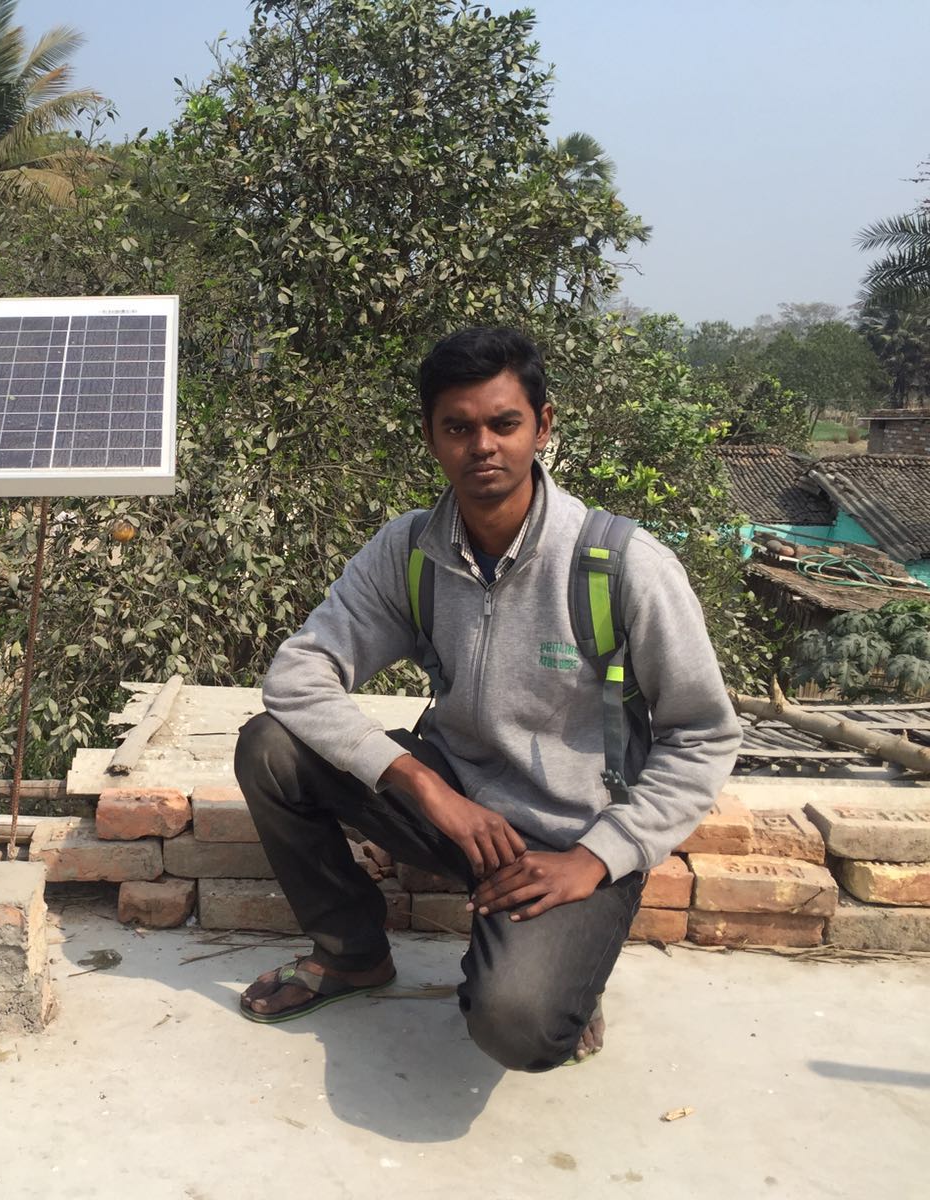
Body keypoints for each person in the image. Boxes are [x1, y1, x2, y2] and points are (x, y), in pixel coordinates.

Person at [233, 326, 741, 1070]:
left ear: (543, 425)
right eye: (458, 427)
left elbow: (702, 735)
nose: (484, 446)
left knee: (519, 1027)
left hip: (568, 841)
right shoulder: (409, 552)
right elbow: (297, 673)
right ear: (432, 437)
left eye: (504, 423)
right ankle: (352, 954)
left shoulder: (620, 564)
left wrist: (601, 858)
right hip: (454, 807)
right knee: (271, 748)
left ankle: (558, 966)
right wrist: (421, 784)